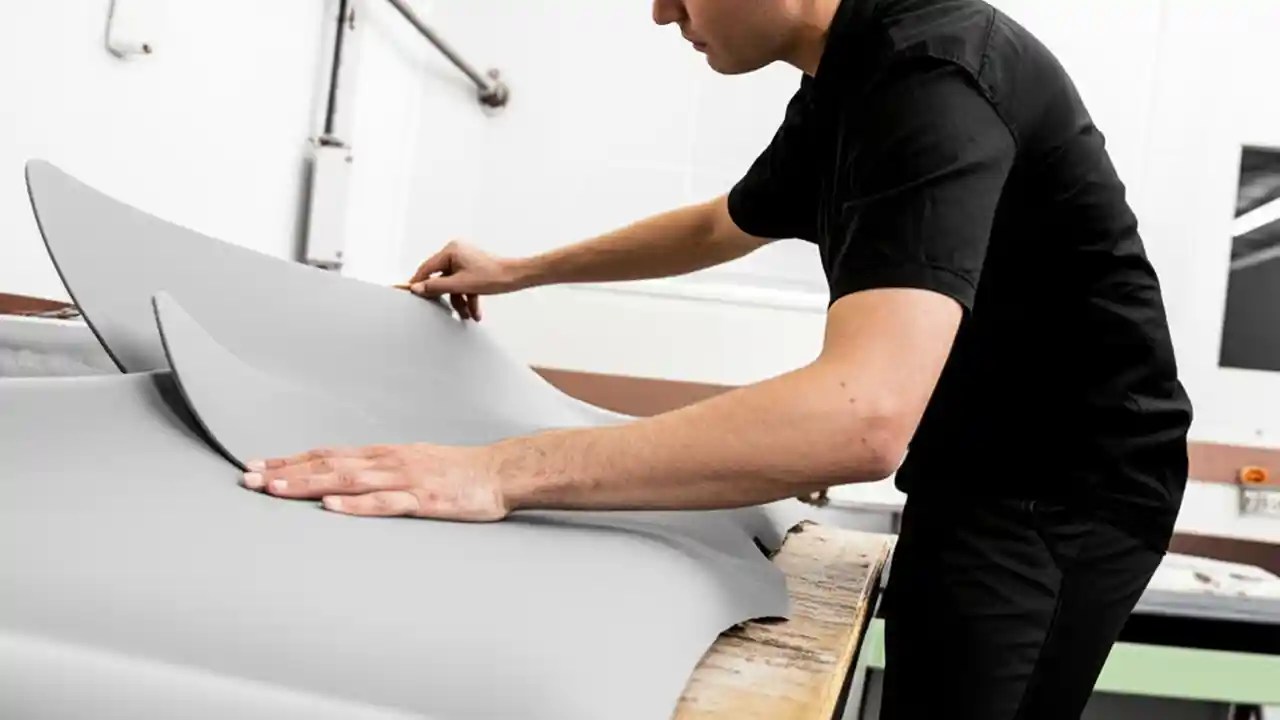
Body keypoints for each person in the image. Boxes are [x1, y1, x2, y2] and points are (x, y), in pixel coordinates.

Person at [241, 0, 1193, 717]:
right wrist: (524, 270)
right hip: (970, 465)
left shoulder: (936, 84)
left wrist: (499, 472)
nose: (662, 11)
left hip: (1066, 496)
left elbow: (863, 415)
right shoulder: (847, 74)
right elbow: (720, 223)